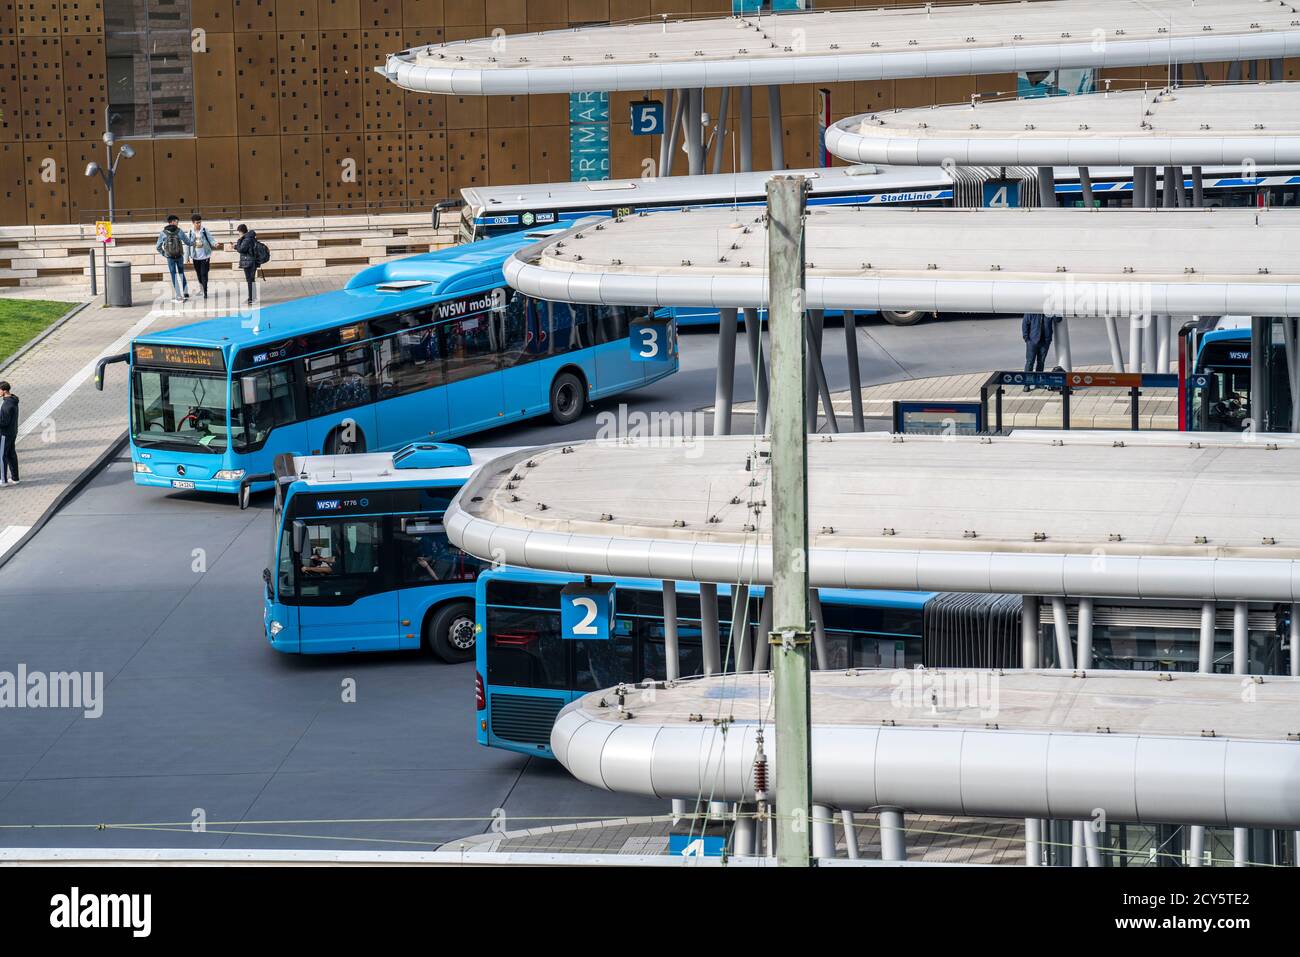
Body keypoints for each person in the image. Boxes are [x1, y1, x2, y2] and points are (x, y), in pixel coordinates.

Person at [155, 214, 193, 302]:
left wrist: (165, 254)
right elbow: (188, 242)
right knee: (181, 274)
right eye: (176, 221)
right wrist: (194, 242)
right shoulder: (179, 231)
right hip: (179, 256)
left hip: (170, 258)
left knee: (173, 275)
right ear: (172, 222)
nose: (177, 223)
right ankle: (186, 292)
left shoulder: (163, 233)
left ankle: (178, 295)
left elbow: (158, 247)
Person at [1020, 313, 1058, 391]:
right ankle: (1027, 384)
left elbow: (1058, 319)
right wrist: (1027, 339)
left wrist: (1054, 311)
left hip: (1045, 341)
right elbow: (1025, 324)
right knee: (1030, 362)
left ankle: (1039, 383)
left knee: (1041, 362)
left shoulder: (1049, 312)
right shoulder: (1032, 310)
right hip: (1032, 341)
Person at [187, 214, 220, 298]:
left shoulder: (204, 230)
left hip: (205, 256)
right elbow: (187, 245)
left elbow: (211, 239)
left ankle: (205, 291)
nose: (199, 224)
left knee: (204, 273)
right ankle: (202, 289)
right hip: (195, 257)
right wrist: (187, 257)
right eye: (197, 223)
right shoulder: (190, 232)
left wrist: (215, 244)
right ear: (193, 223)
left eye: (200, 222)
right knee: (198, 274)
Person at [235, 224, 259, 306]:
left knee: (250, 280)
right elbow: (244, 249)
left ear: (241, 231)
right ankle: (252, 298)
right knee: (251, 280)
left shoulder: (247, 239)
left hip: (249, 262)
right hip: (251, 262)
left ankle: (251, 299)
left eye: (239, 232)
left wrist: (239, 240)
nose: (238, 234)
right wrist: (235, 246)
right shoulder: (250, 237)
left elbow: (241, 249)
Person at [0, 381, 18, 486]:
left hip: (5, 434)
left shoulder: (6, 405)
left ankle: (3, 480)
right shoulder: (13, 400)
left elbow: (4, 422)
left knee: (2, 456)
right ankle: (15, 478)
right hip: (12, 432)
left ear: (4, 390)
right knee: (11, 454)